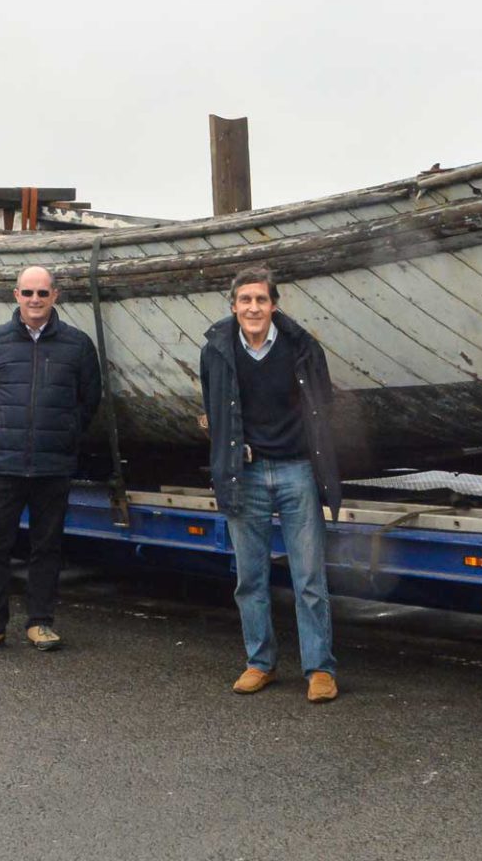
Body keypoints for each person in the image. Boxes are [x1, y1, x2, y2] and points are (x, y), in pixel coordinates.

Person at [198, 267, 343, 703]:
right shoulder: (217, 351)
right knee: (251, 577)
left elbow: (324, 403)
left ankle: (319, 668)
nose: (253, 308)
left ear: (274, 305)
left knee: (309, 577)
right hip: (249, 473)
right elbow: (214, 406)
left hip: (297, 468)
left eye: (261, 300)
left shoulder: (302, 348)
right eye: (245, 300)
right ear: (234, 306)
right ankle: (259, 662)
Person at [0, 266, 103, 655]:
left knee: (47, 547)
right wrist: (3, 429)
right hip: (3, 463)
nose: (34, 300)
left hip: (53, 463)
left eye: (42, 293)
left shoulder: (78, 345)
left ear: (56, 296)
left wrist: (66, 430)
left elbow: (90, 399)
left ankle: (40, 622)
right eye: (27, 293)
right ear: (15, 295)